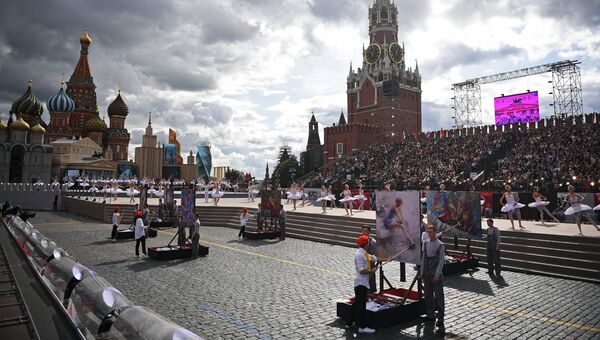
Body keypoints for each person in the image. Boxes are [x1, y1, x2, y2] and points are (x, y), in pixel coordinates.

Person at [345, 235, 377, 334]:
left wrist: (386, 258)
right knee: (361, 306)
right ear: (366, 244)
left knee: (356, 304)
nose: (369, 244)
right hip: (360, 283)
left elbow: (373, 258)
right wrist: (371, 270)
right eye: (368, 242)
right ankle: (362, 327)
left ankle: (349, 323)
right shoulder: (359, 254)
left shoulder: (364, 253)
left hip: (363, 283)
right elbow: (361, 270)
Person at [420, 225, 445, 334]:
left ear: (435, 232)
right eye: (428, 232)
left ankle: (440, 318)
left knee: (439, 296)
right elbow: (423, 259)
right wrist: (421, 272)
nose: (429, 234)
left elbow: (441, 261)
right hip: (427, 273)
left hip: (435, 273)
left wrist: (437, 275)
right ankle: (431, 315)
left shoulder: (440, 245)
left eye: (431, 232)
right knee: (428, 295)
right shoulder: (425, 243)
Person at [361, 225, 377, 293]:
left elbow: (373, 254)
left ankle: (372, 290)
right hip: (364, 262)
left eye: (365, 231)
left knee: (371, 278)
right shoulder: (362, 239)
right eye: (363, 231)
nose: (363, 232)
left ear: (369, 232)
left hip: (370, 262)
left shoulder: (373, 242)